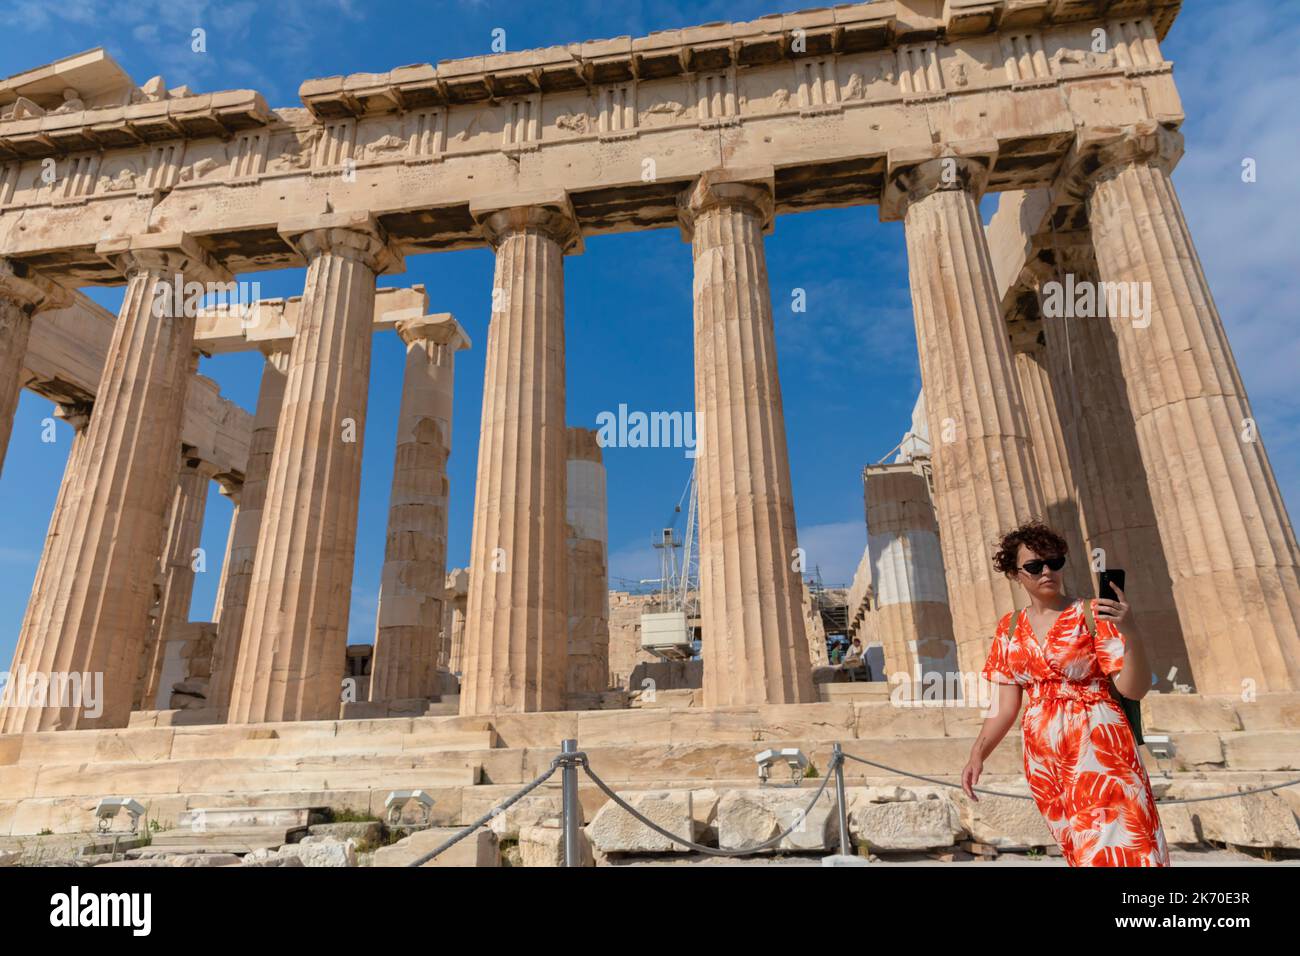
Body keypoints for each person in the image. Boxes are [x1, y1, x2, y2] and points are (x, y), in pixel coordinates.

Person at [961, 520, 1169, 867]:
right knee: (1078, 850)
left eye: (1054, 562)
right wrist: (977, 754)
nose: (1047, 571)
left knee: (1118, 846)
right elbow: (1005, 705)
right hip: (1045, 757)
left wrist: (1130, 632)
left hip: (1100, 743)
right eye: (1034, 565)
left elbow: (1134, 688)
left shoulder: (1092, 614)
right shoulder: (1009, 627)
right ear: (1015, 573)